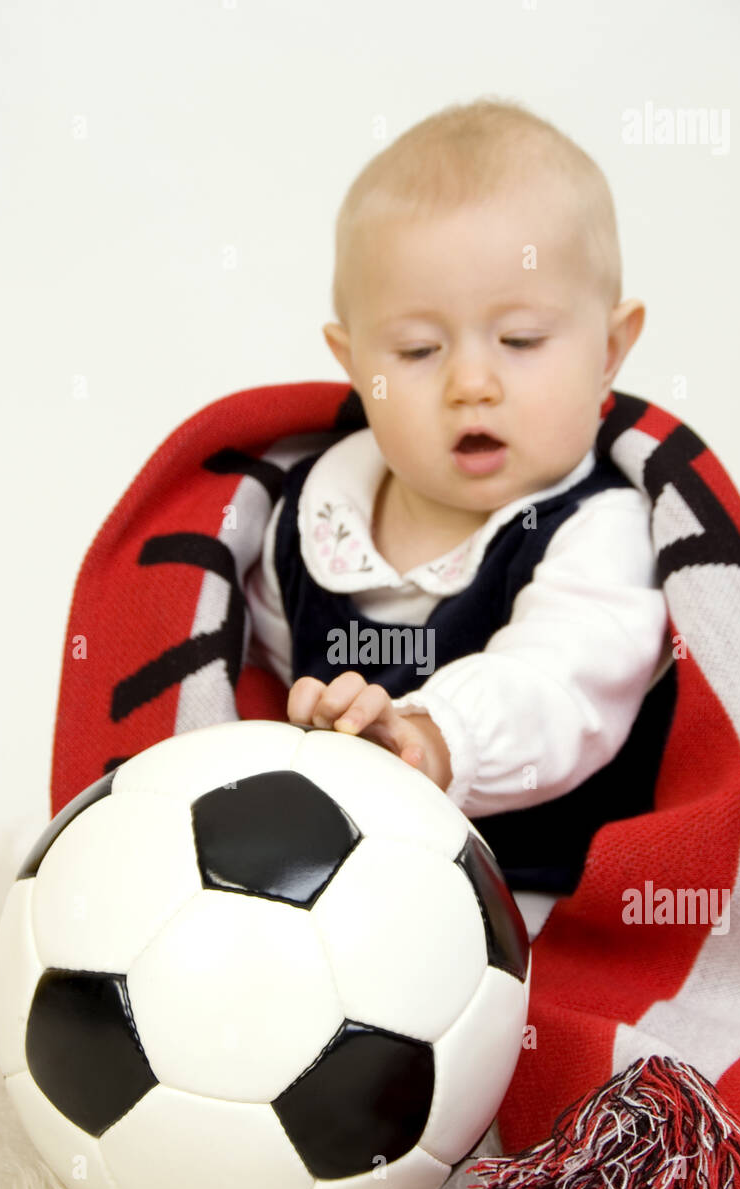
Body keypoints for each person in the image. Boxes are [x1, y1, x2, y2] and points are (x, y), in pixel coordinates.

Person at [245, 97, 672, 909]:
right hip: (352, 901)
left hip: (549, 902)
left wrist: (433, 741)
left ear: (610, 348)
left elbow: (560, 687)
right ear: (352, 357)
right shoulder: (308, 519)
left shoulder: (601, 529)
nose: (471, 384)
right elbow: (257, 684)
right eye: (416, 350)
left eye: (520, 341)